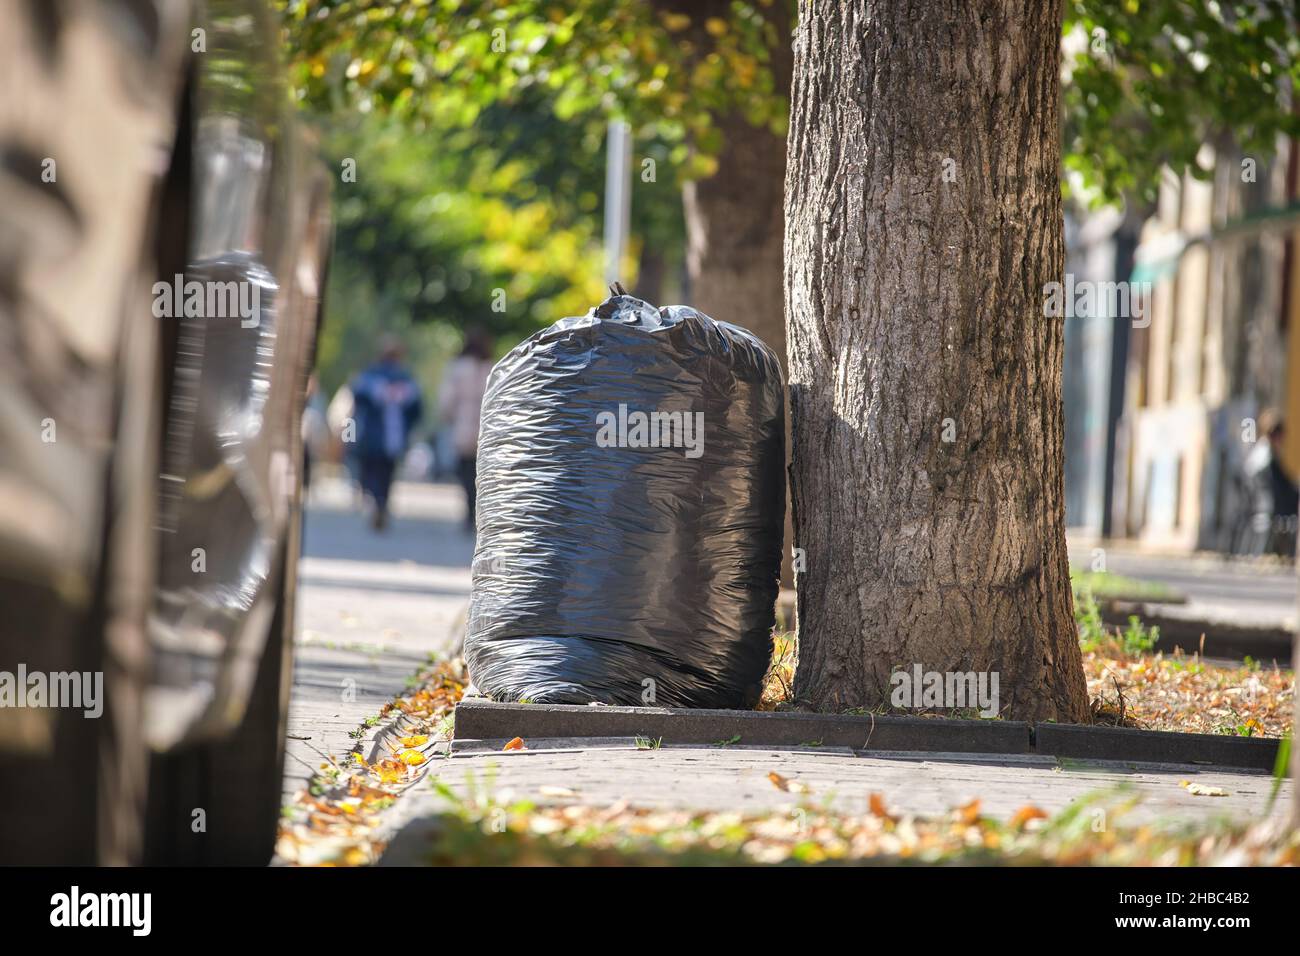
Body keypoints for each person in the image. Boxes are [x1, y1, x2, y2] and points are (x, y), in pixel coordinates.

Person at [350, 336, 423, 530]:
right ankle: (381, 503)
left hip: (372, 435)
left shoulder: (370, 375)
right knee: (386, 473)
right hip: (393, 437)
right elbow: (416, 409)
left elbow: (358, 398)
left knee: (373, 471)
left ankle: (376, 502)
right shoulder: (406, 378)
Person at [439, 326, 493, 531]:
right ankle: (478, 510)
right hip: (485, 426)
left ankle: (469, 511)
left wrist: (448, 417)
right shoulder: (492, 368)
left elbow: (447, 400)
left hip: (463, 425)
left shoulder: (457, 368)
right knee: (481, 473)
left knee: (465, 472)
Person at [1238, 408, 1299, 556]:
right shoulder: (1267, 457)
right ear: (1276, 435)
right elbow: (1280, 485)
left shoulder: (1259, 451)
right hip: (1270, 505)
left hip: (1260, 504)